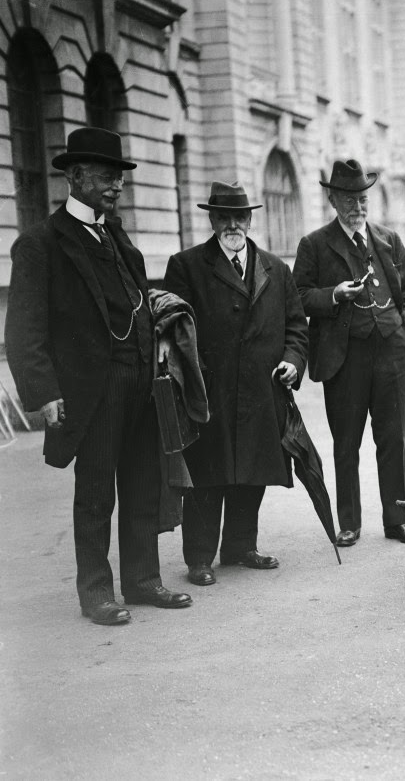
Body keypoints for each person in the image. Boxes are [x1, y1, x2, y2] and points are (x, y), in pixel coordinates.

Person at [5, 127, 192, 625]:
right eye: (108, 177)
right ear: (75, 177)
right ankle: (95, 592)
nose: (116, 186)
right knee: (95, 493)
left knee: (141, 483)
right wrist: (43, 392)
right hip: (93, 389)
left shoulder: (116, 235)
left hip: (139, 381)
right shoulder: (40, 244)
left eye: (120, 179)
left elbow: (136, 300)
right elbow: (24, 329)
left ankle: (143, 579)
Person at [162, 182, 309, 586]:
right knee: (208, 474)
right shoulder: (186, 265)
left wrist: (293, 362)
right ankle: (199, 558)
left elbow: (297, 327)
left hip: (263, 391)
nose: (233, 225)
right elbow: (172, 329)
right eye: (223, 217)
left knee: (252, 471)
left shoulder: (276, 269)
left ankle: (241, 546)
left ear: (250, 219)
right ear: (211, 220)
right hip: (210, 392)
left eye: (240, 217)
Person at [292, 159, 405, 547]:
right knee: (346, 443)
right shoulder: (314, 244)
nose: (357, 206)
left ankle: (396, 520)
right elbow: (297, 298)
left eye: (362, 198)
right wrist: (333, 295)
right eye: (349, 198)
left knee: (392, 440)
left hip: (391, 355)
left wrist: (404, 327)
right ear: (333, 200)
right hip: (343, 358)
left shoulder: (388, 239)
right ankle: (349, 522)